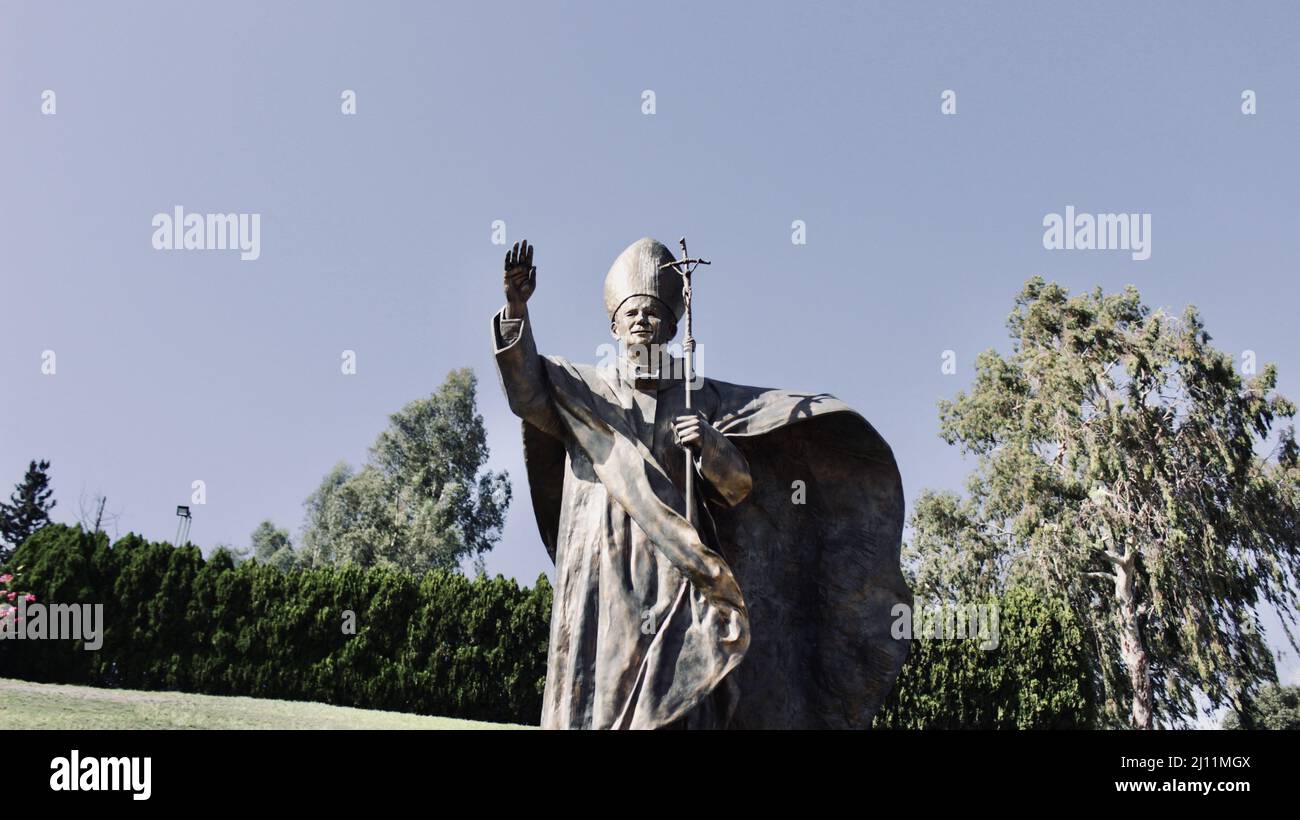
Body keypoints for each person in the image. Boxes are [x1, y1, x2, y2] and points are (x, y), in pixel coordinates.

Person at [493, 237, 910, 729]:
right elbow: (527, 393)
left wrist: (711, 446)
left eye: (652, 312)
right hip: (603, 570)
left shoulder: (702, 398)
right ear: (614, 326)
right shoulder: (581, 388)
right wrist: (517, 309)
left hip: (679, 571)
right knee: (603, 696)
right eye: (631, 312)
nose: (641, 320)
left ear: (672, 326)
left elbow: (736, 487)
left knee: (681, 696)